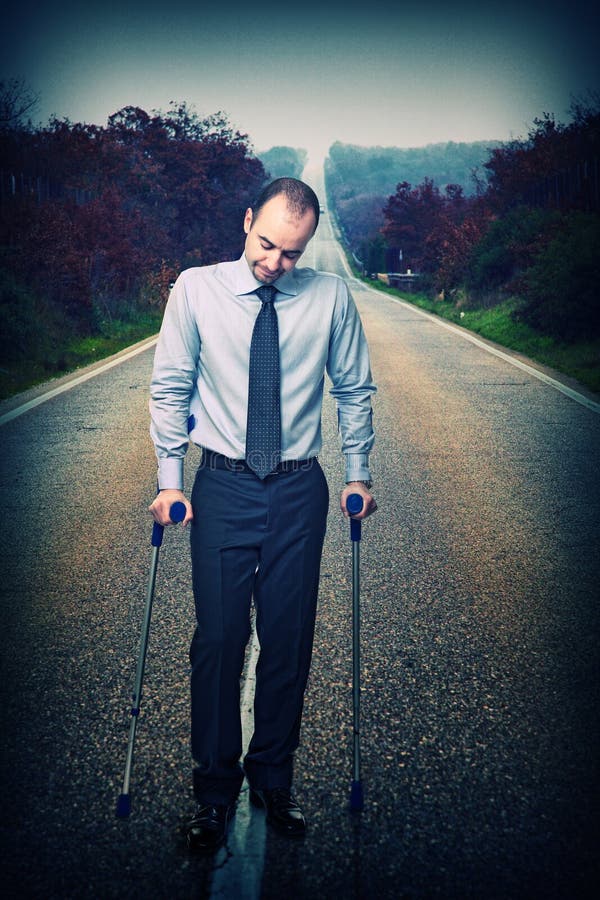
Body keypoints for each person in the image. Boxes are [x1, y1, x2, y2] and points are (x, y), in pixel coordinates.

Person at [149, 177, 377, 852]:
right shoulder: (195, 288)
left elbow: (355, 390)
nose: (275, 262)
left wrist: (358, 471)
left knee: (288, 643)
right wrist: (169, 480)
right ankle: (214, 793)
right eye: (266, 243)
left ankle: (274, 780)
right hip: (221, 485)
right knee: (218, 642)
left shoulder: (330, 297)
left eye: (291, 253)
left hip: (297, 490)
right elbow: (171, 386)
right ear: (247, 221)